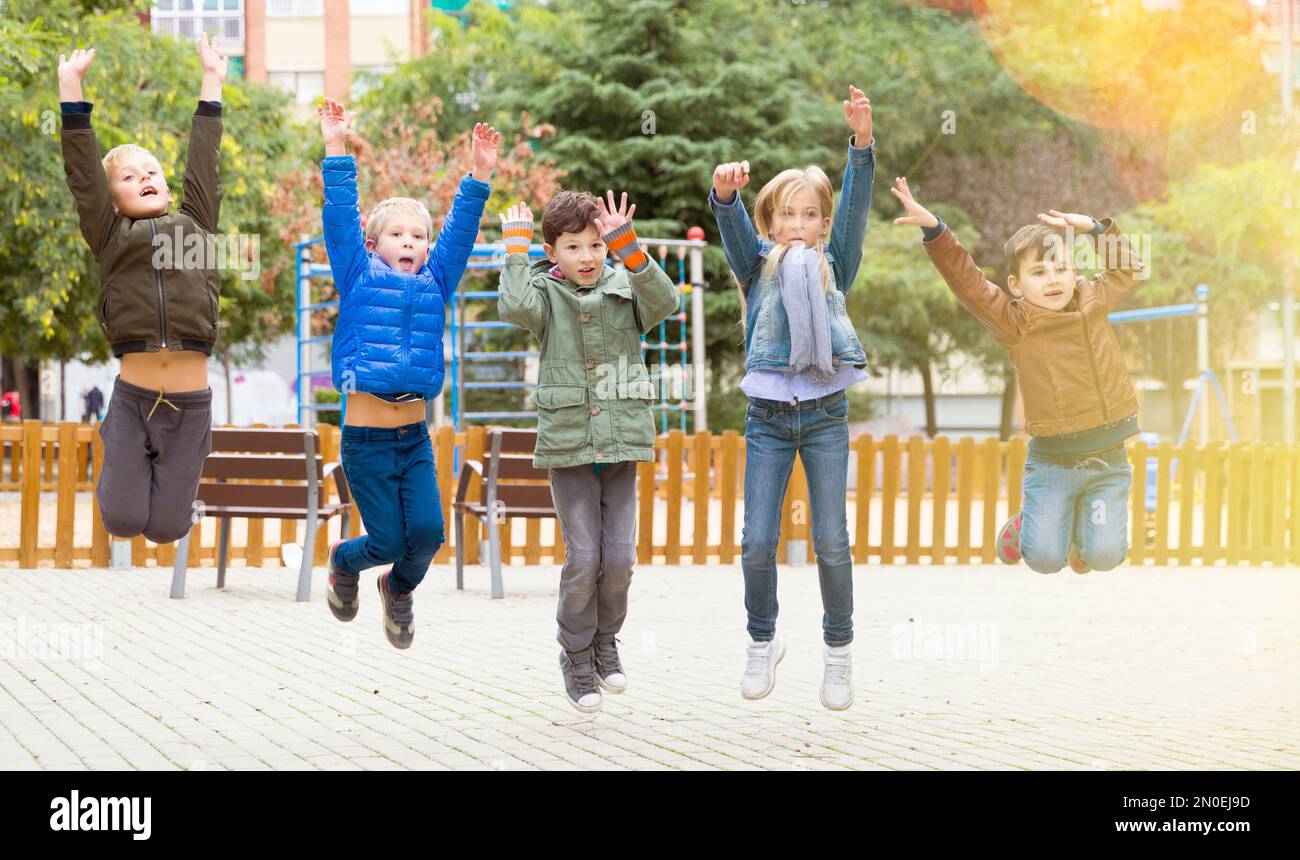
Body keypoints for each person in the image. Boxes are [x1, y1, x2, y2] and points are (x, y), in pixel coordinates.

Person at [708, 85, 876, 711]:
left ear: (823, 224)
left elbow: (856, 209)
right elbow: (729, 225)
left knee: (832, 538)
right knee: (757, 540)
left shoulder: (837, 262)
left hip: (827, 416)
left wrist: (860, 145)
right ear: (770, 222)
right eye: (786, 215)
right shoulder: (760, 268)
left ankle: (838, 654)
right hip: (769, 419)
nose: (798, 225)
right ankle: (761, 641)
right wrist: (725, 194)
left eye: (810, 215)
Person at [890, 175, 1146, 576]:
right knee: (1043, 560)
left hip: (1108, 459)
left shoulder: (1094, 298)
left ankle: (1082, 533)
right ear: (1017, 284)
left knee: (1104, 557)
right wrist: (935, 231)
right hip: (1053, 462)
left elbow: (1129, 268)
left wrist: (1096, 229)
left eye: (1061, 268)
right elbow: (971, 284)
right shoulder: (1016, 322)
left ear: (1074, 270)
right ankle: (1032, 521)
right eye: (1039, 273)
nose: (1053, 280)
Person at [317, 98, 499, 650]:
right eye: (398, 235)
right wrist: (336, 146)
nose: (411, 244)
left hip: (413, 436)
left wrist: (480, 174)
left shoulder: (435, 283)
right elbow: (341, 213)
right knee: (388, 537)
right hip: (368, 439)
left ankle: (397, 592)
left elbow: (460, 234)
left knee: (427, 535)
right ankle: (343, 561)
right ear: (375, 245)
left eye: (418, 237)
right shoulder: (356, 274)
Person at [497, 190, 679, 713]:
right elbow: (513, 306)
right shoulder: (542, 294)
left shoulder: (626, 284)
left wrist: (630, 246)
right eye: (573, 247)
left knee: (619, 559)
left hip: (621, 444)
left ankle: (605, 643)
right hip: (570, 448)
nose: (588, 256)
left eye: (596, 245)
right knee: (586, 557)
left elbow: (666, 301)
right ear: (552, 252)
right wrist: (515, 250)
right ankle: (575, 655)